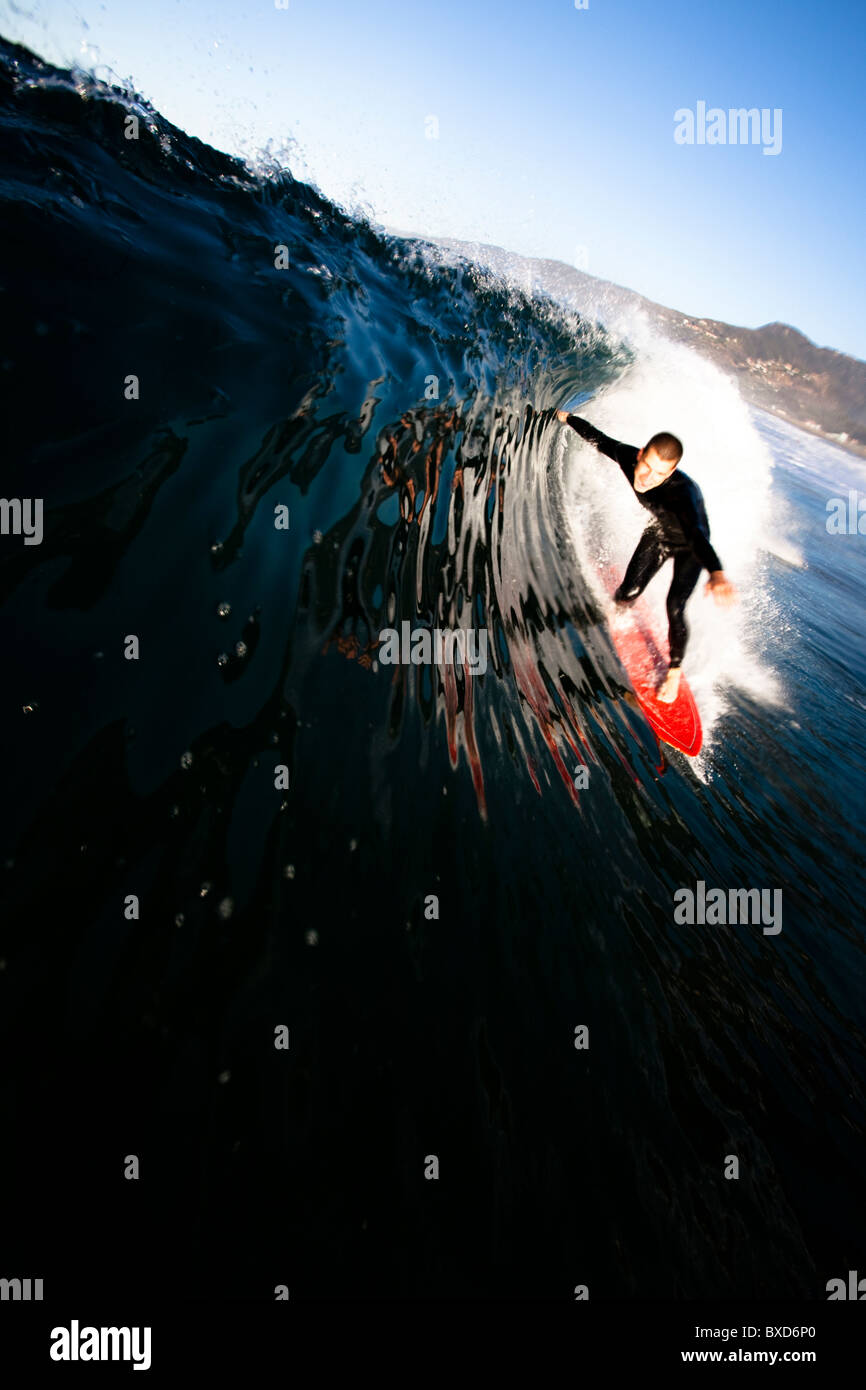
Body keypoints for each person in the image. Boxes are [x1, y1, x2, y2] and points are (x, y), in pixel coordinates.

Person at [556, 410, 736, 702]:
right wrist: (566, 418)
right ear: (640, 454)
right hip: (661, 532)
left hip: (691, 545)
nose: (648, 478)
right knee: (629, 590)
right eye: (647, 467)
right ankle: (620, 614)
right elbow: (599, 439)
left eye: (660, 474)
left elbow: (697, 537)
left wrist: (716, 573)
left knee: (675, 605)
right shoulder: (627, 457)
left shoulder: (682, 496)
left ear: (672, 473)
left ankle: (675, 671)